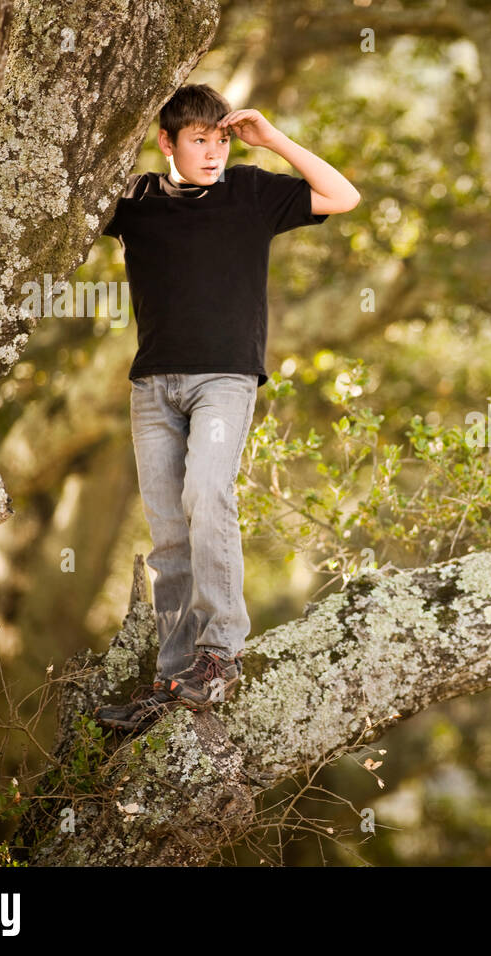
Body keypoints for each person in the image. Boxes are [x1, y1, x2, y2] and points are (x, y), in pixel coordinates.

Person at [94, 84, 360, 732]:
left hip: (225, 380)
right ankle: (173, 676)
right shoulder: (136, 201)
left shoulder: (250, 191)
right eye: (198, 140)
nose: (213, 152)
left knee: (208, 494)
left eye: (220, 139)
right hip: (153, 387)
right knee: (168, 537)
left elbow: (342, 196)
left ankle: (220, 657)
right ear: (168, 142)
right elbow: (62, 205)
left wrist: (272, 141)